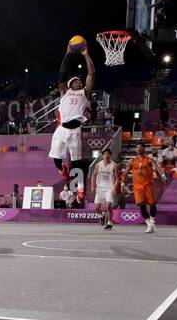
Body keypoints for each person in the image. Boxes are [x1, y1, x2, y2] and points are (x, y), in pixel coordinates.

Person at [49, 42, 94, 186]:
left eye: (80, 81)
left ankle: (78, 187)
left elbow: (91, 73)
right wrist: (68, 54)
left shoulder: (84, 93)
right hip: (61, 130)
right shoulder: (64, 92)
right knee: (56, 160)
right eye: (75, 81)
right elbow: (62, 73)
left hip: (75, 130)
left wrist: (86, 54)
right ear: (70, 85)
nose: (78, 82)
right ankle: (62, 169)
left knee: (76, 161)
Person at [129, 144, 162, 233]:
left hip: (148, 185)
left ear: (144, 149)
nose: (139, 148)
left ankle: (152, 220)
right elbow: (125, 173)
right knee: (141, 205)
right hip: (137, 186)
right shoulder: (132, 161)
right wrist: (122, 184)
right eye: (137, 147)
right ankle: (149, 224)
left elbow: (157, 167)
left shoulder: (149, 160)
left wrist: (163, 175)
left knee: (152, 205)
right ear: (136, 149)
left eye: (141, 147)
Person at [89, 147, 122, 230]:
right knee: (96, 208)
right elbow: (93, 175)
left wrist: (114, 188)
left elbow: (117, 178)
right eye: (105, 154)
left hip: (109, 188)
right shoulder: (98, 165)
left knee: (108, 206)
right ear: (102, 156)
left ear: (110, 155)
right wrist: (93, 186)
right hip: (100, 188)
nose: (106, 155)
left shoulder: (114, 165)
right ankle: (103, 215)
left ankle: (109, 222)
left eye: (108, 154)